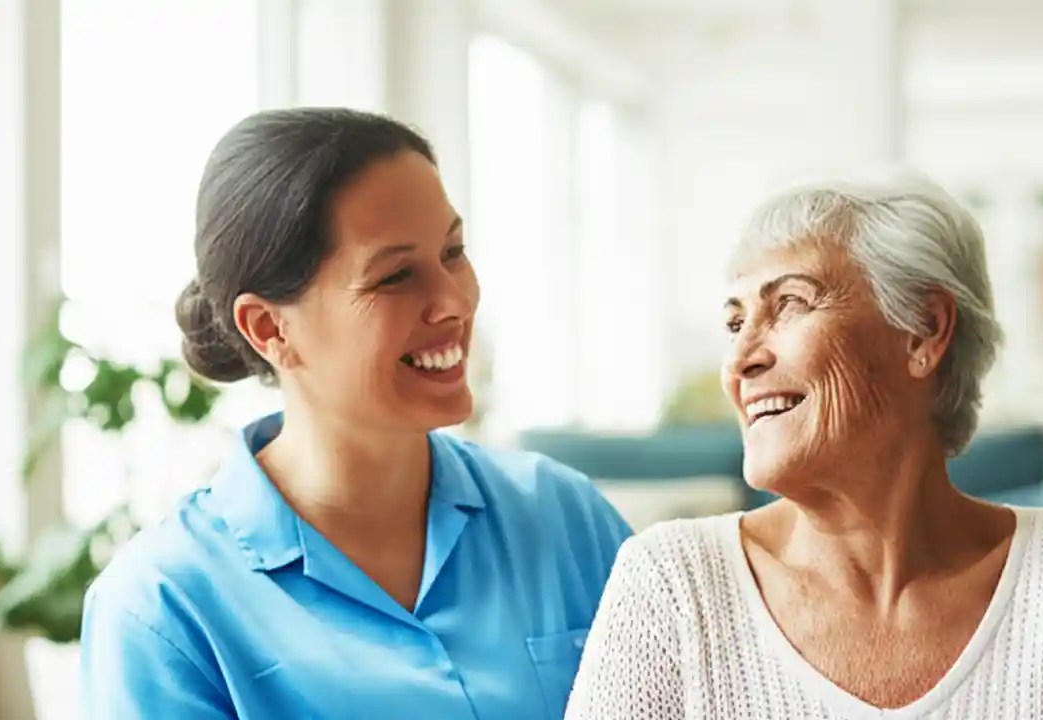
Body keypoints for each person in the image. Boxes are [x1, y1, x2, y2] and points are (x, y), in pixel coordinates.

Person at [565, 168, 1043, 719]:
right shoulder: (671, 585)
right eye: (734, 323)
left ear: (923, 330)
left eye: (788, 305)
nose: (741, 359)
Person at [80, 107, 632, 719]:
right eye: (396, 276)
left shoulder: (567, 518)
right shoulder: (162, 610)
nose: (453, 301)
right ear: (270, 328)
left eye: (453, 251)